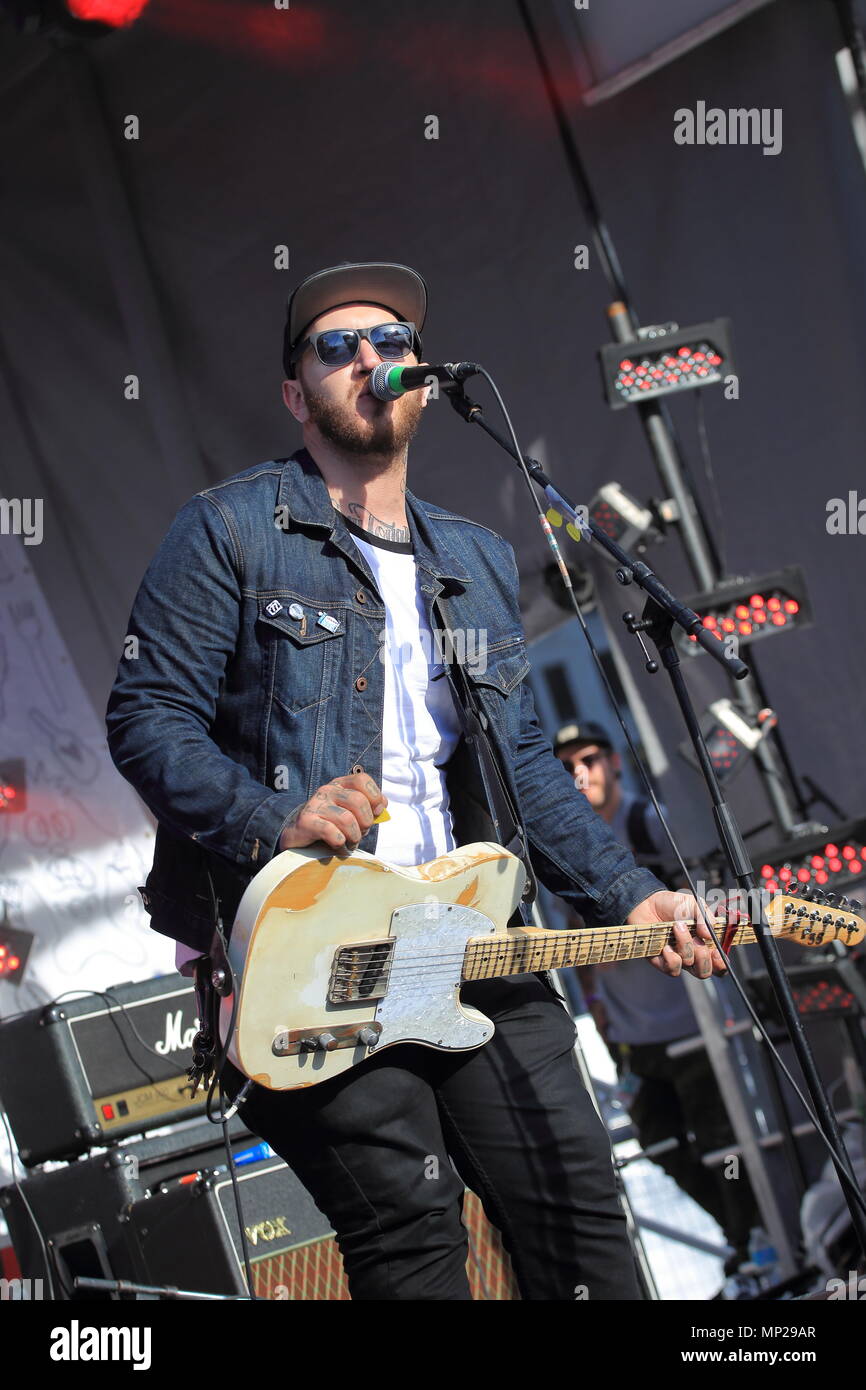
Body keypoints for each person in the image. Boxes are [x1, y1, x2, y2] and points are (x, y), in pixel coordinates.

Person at [106, 260, 727, 1301]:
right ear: (296, 394)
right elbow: (145, 719)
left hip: (476, 937)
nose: (370, 360)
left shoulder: (476, 559)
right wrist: (275, 815)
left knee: (588, 1241)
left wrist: (632, 893)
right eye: (336, 346)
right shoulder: (229, 531)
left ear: (424, 379)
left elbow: (520, 765)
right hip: (320, 950)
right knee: (412, 1250)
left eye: (391, 342)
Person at [552, 721, 759, 1272]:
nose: (580, 773)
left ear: (614, 761)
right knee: (663, 1146)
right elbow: (577, 943)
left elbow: (713, 899)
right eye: (567, 764)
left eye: (589, 759)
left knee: (727, 1148)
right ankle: (741, 1240)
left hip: (694, 1023)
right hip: (631, 1036)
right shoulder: (563, 854)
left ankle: (758, 1246)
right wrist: (599, 1015)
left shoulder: (648, 822)